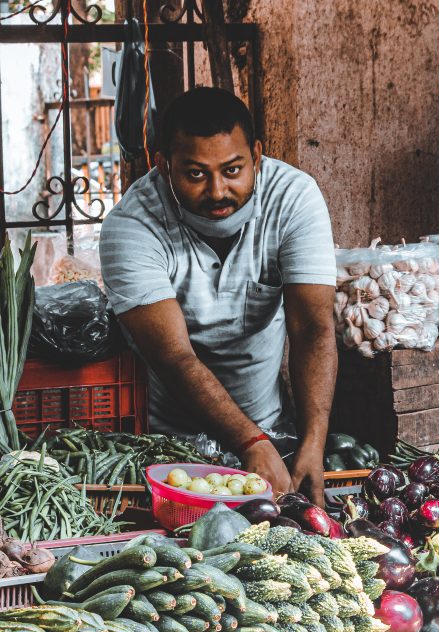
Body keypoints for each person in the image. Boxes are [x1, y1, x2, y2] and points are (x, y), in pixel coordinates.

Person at [99, 87, 337, 505]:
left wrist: (312, 445)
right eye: (195, 173)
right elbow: (173, 356)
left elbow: (312, 328)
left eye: (232, 170)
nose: (217, 191)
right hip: (171, 447)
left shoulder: (294, 198)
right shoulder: (132, 226)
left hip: (271, 428)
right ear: (163, 165)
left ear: (257, 156)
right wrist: (249, 442)